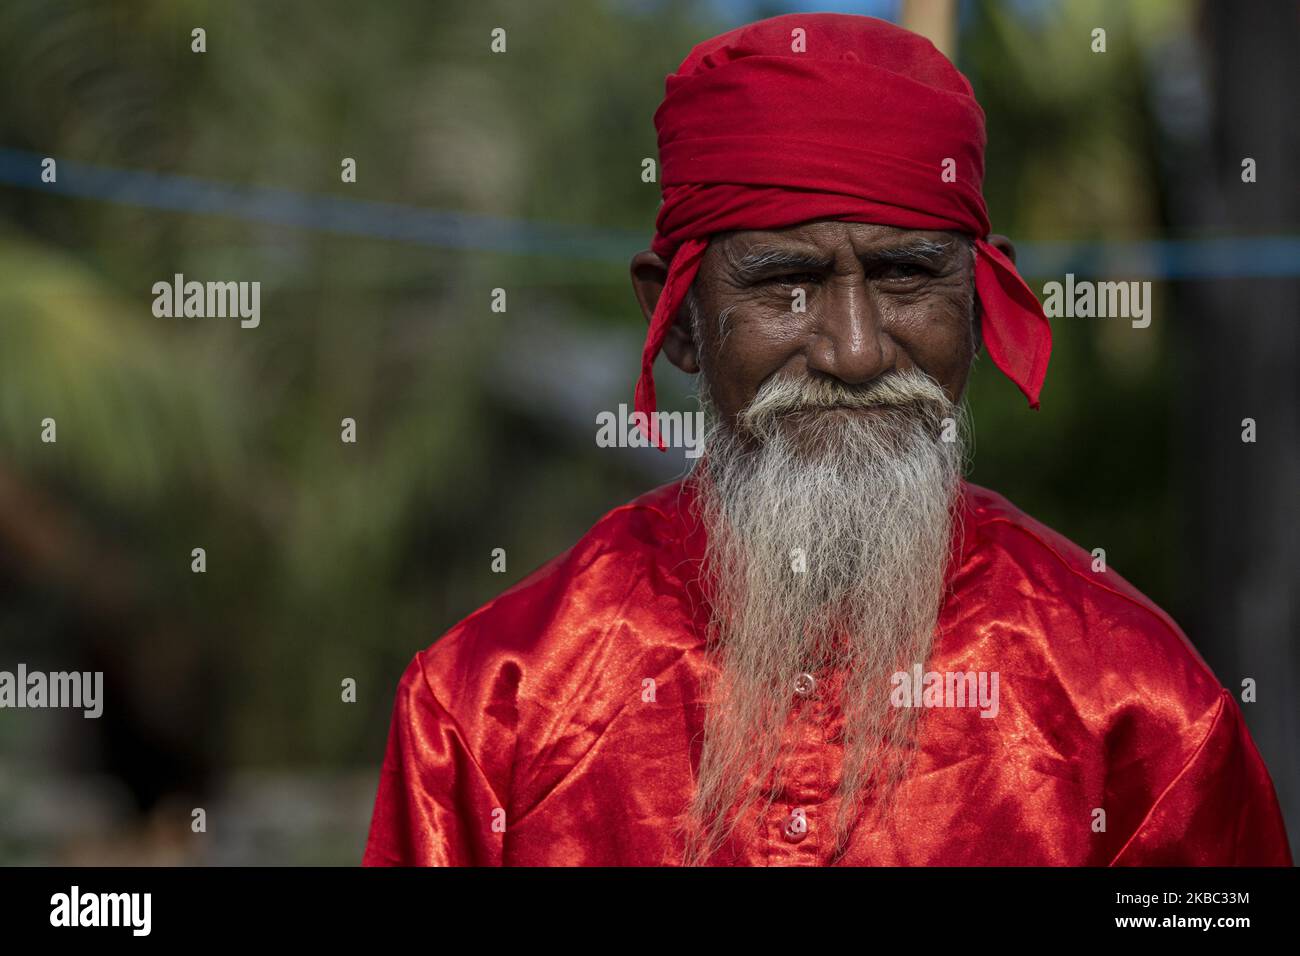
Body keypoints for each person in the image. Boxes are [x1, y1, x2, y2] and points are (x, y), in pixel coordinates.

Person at [363, 13, 1291, 866]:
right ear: (680, 320)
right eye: (786, 285)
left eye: (906, 276)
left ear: (975, 304)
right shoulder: (490, 713)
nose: (853, 351)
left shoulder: (1139, 710)